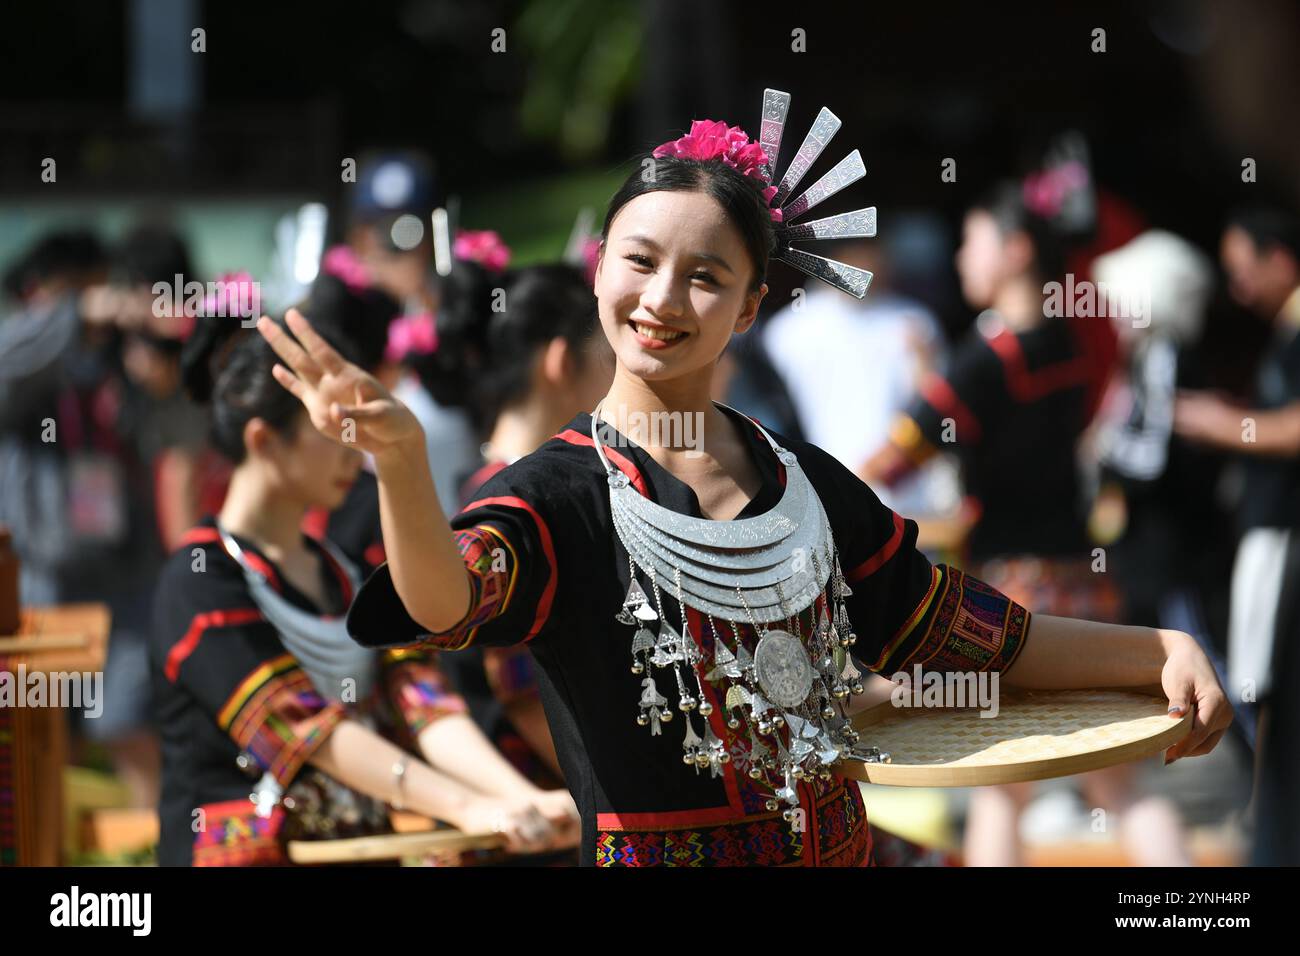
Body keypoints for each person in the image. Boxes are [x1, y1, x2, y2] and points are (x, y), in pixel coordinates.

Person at [258, 103, 1231, 867]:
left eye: (705, 276)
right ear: (599, 270)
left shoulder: (806, 485)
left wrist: (1158, 648)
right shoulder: (556, 495)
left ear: (751, 304)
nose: (661, 298)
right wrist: (397, 463)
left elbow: (975, 633)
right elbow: (445, 601)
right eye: (639, 260)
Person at [149, 315, 578, 866]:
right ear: (265, 441)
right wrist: (468, 806)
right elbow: (305, 731)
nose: (357, 453)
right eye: (337, 433)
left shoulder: (347, 571)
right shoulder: (197, 582)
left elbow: (421, 702)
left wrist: (516, 796)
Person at [1173, 206, 1300, 865]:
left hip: (1286, 547)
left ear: (1280, 258)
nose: (1238, 289)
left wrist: (1224, 423)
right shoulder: (1282, 333)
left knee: (1270, 692)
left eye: (1244, 270)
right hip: (1271, 544)